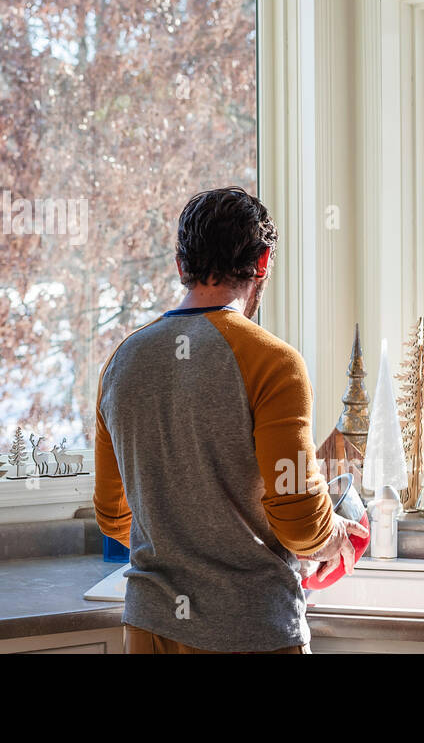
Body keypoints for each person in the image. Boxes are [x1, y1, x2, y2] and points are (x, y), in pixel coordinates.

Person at [93, 186, 367, 654]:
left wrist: (183, 534)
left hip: (150, 629)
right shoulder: (274, 363)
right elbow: (299, 518)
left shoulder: (123, 362)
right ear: (263, 262)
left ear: (181, 266)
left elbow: (114, 515)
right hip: (249, 631)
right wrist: (337, 534)